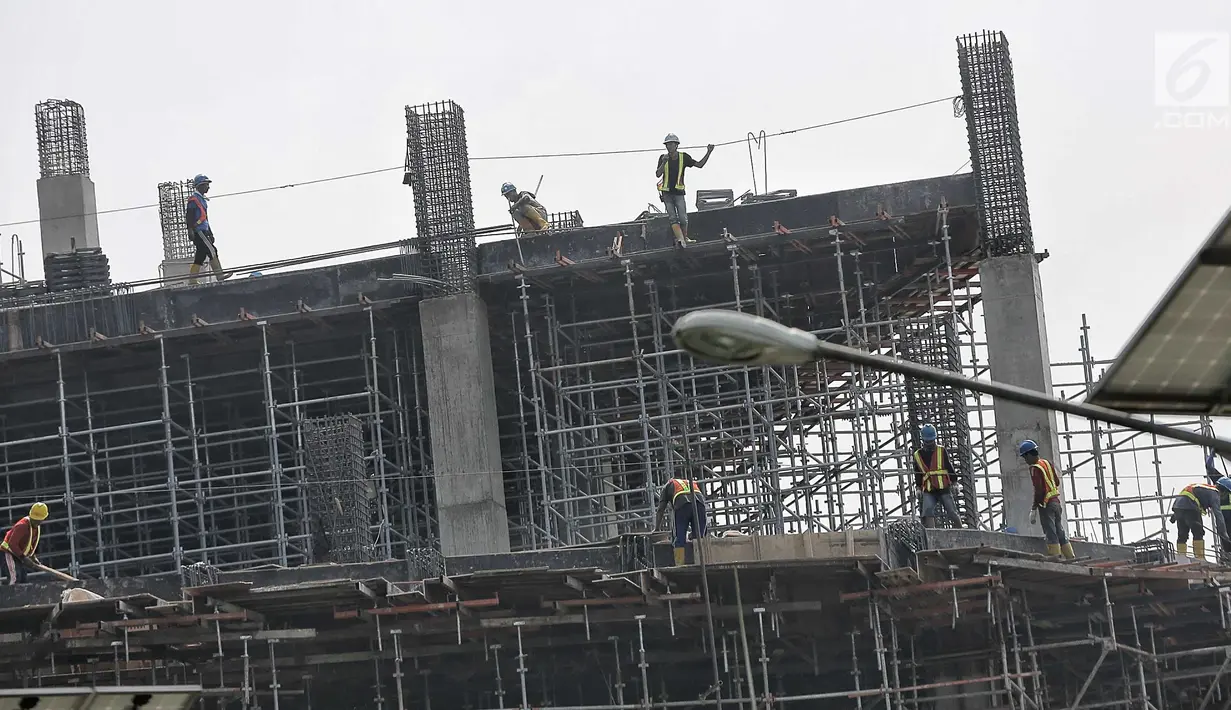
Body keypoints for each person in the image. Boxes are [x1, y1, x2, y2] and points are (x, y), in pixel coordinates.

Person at [1020, 440, 1076, 560]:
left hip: (1046, 505)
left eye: (1025, 457)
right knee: (1059, 529)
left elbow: (1039, 490)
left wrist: (1034, 508)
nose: (1025, 461)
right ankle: (1070, 556)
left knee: (1050, 531)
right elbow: (1056, 482)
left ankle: (1055, 556)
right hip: (1056, 502)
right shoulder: (1046, 463)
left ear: (1029, 455)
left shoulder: (1035, 468)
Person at [655, 134, 713, 247]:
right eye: (667, 145)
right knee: (673, 218)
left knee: (683, 218)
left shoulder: (683, 157)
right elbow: (658, 174)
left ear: (676, 145)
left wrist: (709, 152)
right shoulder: (663, 158)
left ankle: (684, 237)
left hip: (679, 193)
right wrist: (663, 163)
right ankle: (681, 239)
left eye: (671, 144)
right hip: (667, 194)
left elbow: (699, 165)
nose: (669, 147)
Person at [911, 424, 963, 529]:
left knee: (952, 511)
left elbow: (949, 466)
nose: (930, 444)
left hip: (943, 487)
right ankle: (932, 534)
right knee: (927, 512)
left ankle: (961, 532)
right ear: (923, 441)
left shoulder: (941, 450)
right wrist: (918, 487)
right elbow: (918, 473)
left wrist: (955, 482)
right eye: (928, 442)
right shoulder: (918, 455)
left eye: (931, 441)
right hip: (929, 489)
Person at [185, 174, 232, 285]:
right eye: (206, 185)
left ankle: (192, 280)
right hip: (199, 231)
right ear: (200, 185)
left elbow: (205, 217)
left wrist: (210, 233)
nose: (208, 187)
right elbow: (189, 216)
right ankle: (219, 275)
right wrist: (190, 230)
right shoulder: (193, 200)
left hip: (204, 230)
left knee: (200, 256)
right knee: (212, 251)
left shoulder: (202, 200)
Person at [653, 472, 707, 566]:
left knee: (679, 538)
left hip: (682, 504)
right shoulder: (691, 482)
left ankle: (680, 564)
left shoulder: (668, 485)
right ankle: (701, 562)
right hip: (700, 504)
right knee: (699, 537)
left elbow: (661, 509)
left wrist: (657, 528)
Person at [1171, 477, 1231, 561]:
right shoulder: (1215, 493)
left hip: (1178, 506)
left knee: (1182, 534)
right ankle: (1200, 558)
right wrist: (1224, 533)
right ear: (1224, 491)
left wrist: (1175, 515)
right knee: (1198, 532)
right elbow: (1218, 515)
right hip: (1190, 506)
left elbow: (1185, 497)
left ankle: (1181, 558)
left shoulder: (1204, 488)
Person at [2, 502, 48, 586]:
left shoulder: (35, 528)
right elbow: (12, 544)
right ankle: (11, 597)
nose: (35, 522)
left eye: (38, 520)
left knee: (23, 579)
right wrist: (24, 558)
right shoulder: (22, 526)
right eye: (34, 519)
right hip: (9, 553)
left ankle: (21, 598)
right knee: (14, 579)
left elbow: (29, 544)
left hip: (18, 555)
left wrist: (33, 557)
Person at [1204, 452, 1231, 553]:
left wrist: (1212, 454)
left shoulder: (1221, 480)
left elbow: (1208, 466)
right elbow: (1209, 467)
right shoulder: (1222, 480)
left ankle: (1228, 555)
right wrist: (1212, 453)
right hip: (1223, 517)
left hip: (1223, 517)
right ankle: (1227, 556)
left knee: (1226, 539)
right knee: (1226, 539)